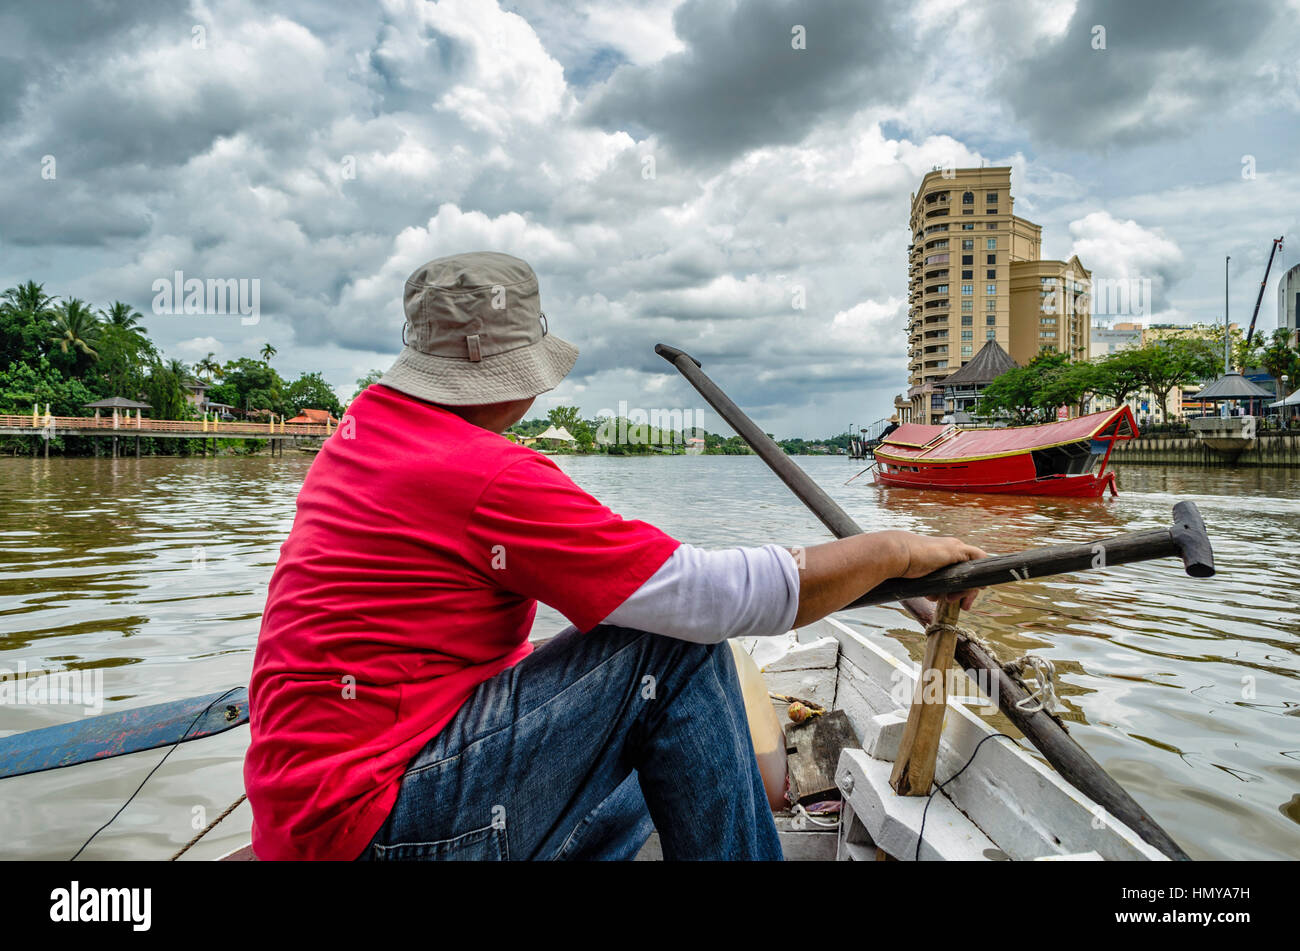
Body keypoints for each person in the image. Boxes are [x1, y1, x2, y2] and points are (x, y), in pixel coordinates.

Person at [243, 251, 986, 861]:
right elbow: (708, 599)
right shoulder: (480, 473)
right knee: (674, 652)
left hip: (306, 821)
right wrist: (889, 548)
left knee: (645, 778)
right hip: (374, 829)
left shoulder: (365, 431)